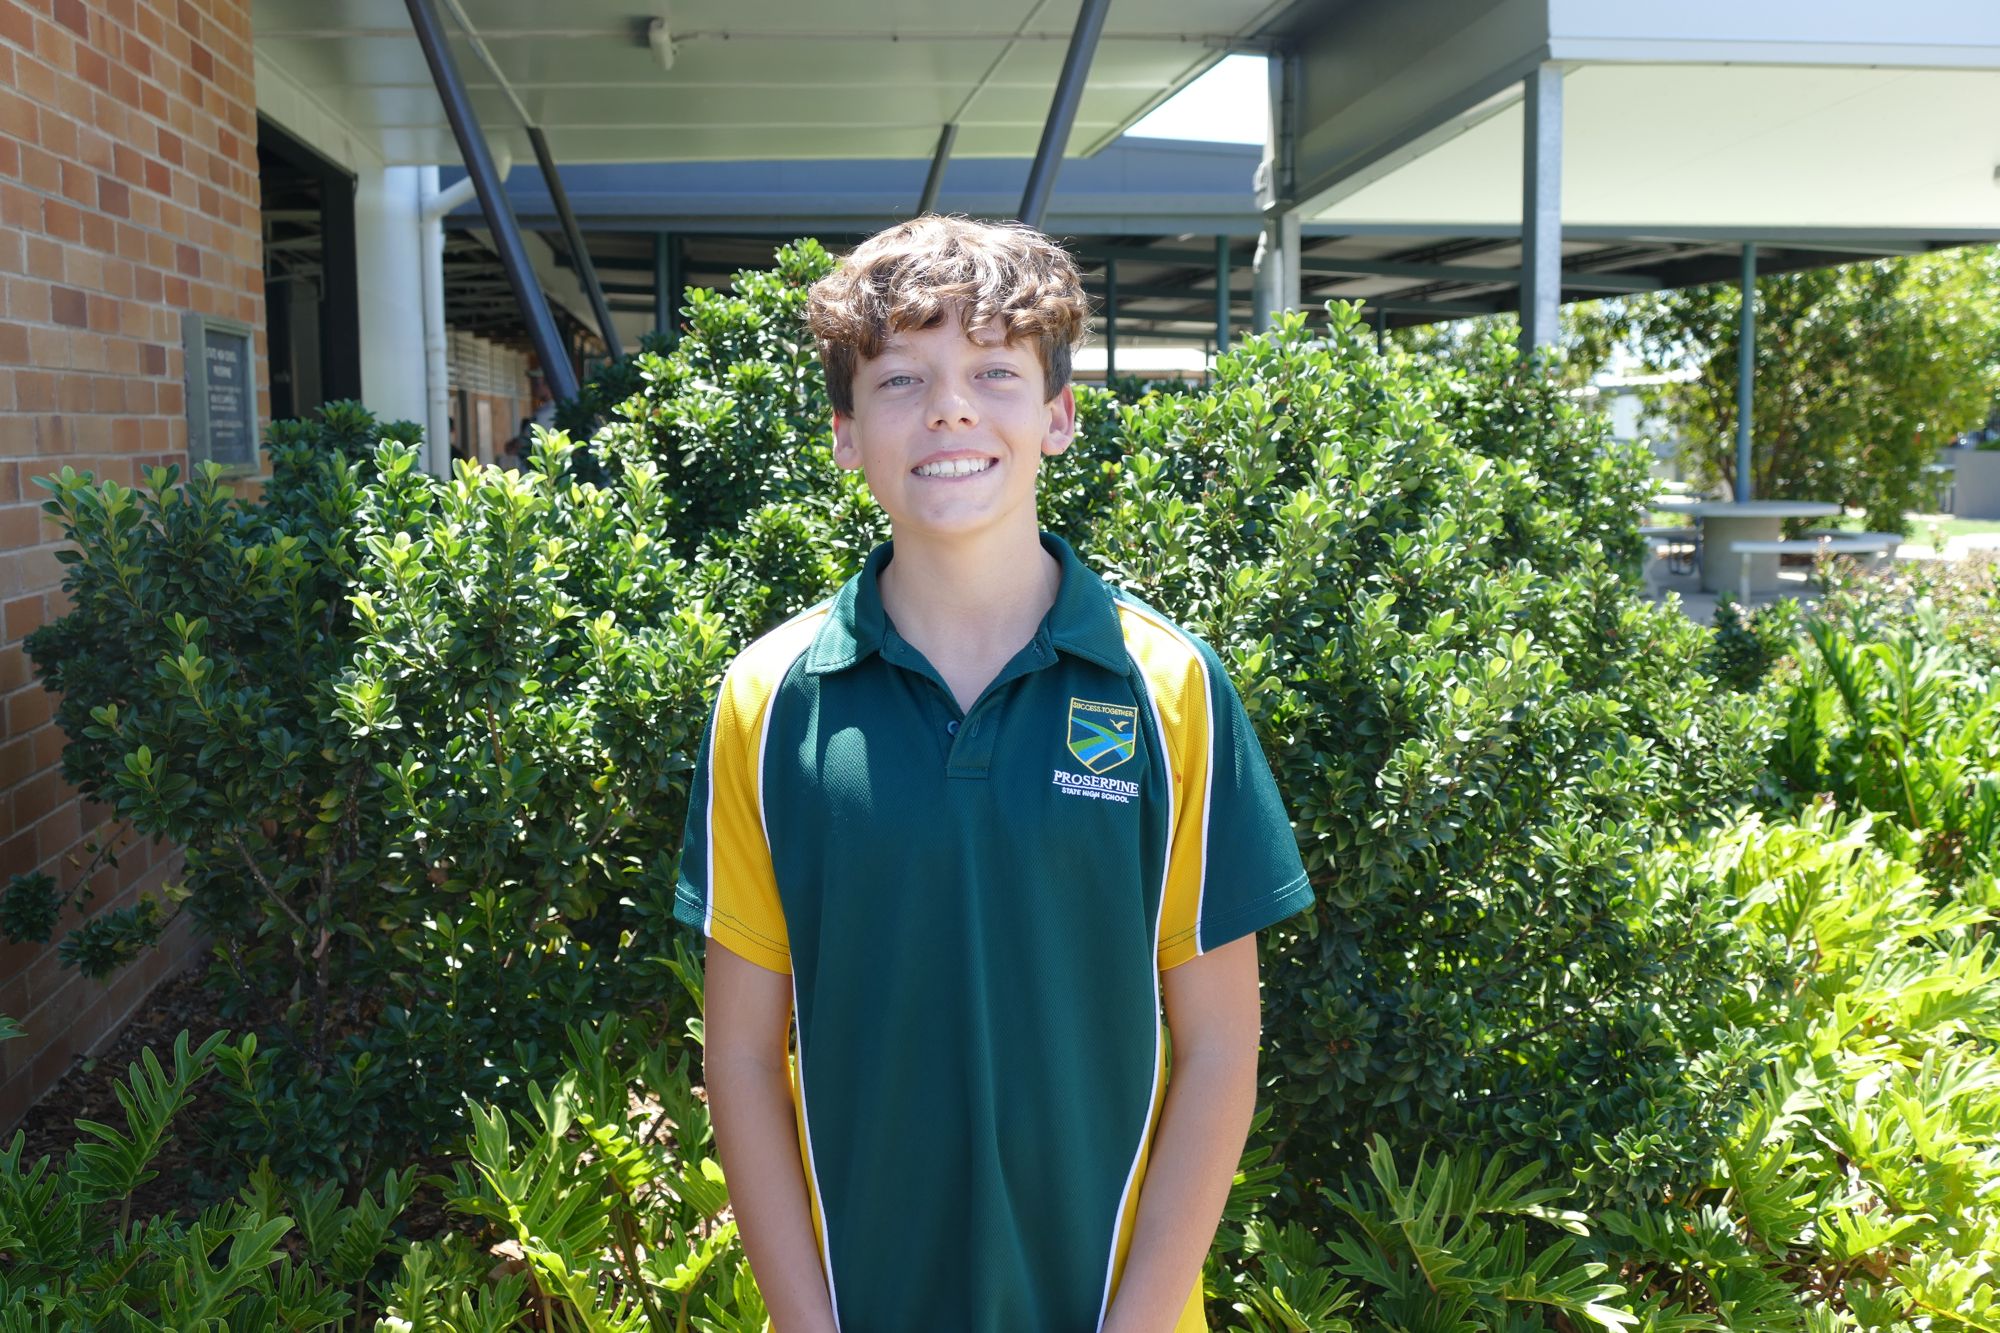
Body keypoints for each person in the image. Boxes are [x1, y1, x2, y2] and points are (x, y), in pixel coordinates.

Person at [674, 216, 1312, 1333]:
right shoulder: (769, 702)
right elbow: (738, 1051)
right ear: (842, 431)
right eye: (900, 380)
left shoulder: (1167, 690)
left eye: (993, 372)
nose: (949, 409)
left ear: (1058, 414)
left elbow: (1218, 1043)